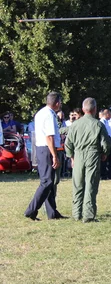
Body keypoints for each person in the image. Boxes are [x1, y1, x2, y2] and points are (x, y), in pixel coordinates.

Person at [64, 98, 111, 222]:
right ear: (95, 109)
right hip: (93, 155)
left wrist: (72, 157)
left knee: (78, 185)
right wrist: (105, 153)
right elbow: (106, 143)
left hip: (78, 155)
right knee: (91, 184)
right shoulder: (98, 124)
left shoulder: (75, 124)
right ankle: (88, 215)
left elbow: (68, 143)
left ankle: (76, 213)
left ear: (83, 109)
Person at [24, 92, 67, 221]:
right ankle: (31, 210)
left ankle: (52, 212)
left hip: (42, 148)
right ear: (57, 103)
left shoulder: (41, 112)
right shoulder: (49, 115)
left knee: (49, 181)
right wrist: (54, 155)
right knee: (47, 182)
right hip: (47, 149)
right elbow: (49, 136)